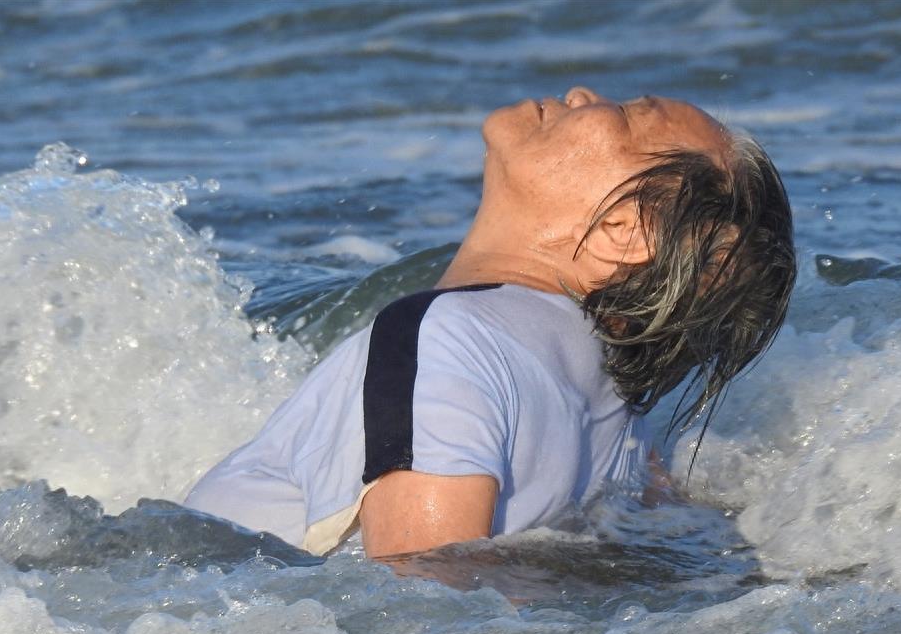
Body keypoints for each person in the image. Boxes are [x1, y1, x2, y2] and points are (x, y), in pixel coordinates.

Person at [184, 87, 796, 560]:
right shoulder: (624, 417)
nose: (584, 94)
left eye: (631, 116)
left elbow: (422, 600)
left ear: (624, 230)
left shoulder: (443, 336)